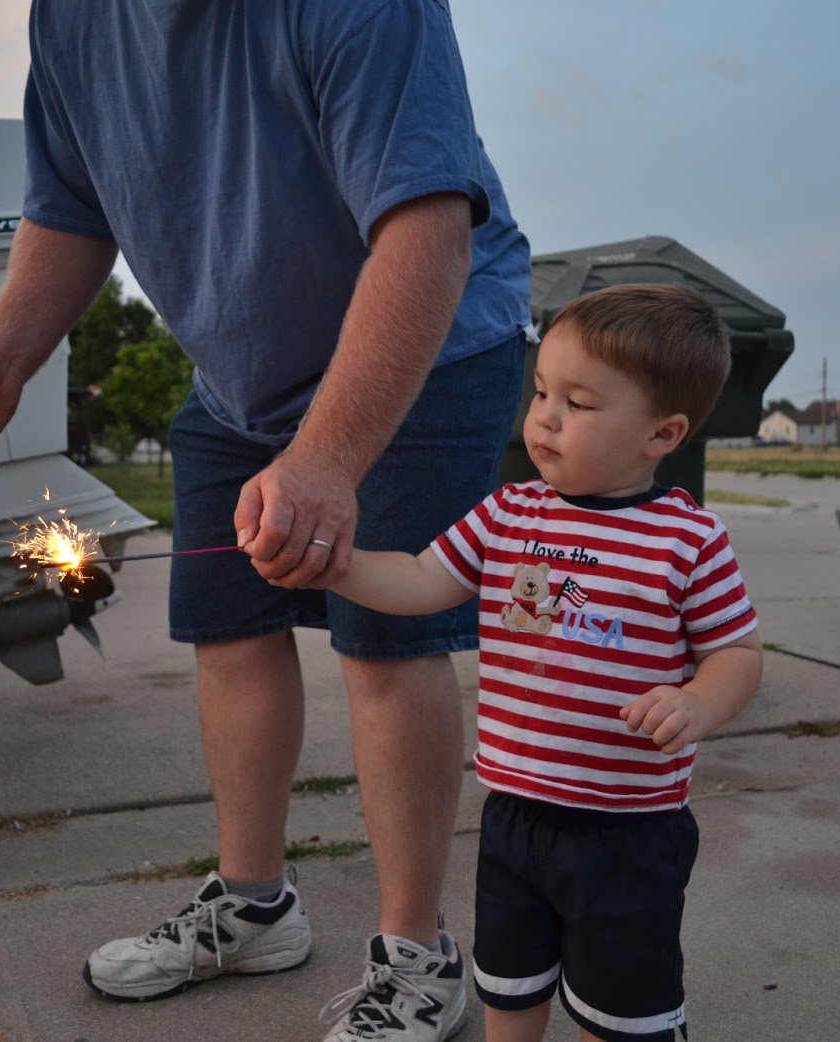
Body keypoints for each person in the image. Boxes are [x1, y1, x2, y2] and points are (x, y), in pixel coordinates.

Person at [0, 0, 531, 1039]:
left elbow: (426, 231)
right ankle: (252, 907)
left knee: (383, 642)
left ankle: (419, 960)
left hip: (420, 349)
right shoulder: (72, 6)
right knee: (227, 629)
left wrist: (329, 458)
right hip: (237, 373)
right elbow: (70, 205)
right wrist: (2, 356)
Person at [280, 284, 763, 1042]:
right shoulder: (509, 515)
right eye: (542, 391)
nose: (545, 416)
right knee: (510, 986)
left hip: (627, 829)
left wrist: (698, 702)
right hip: (514, 814)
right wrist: (333, 567)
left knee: (622, 1011)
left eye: (579, 402)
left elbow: (735, 651)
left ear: (662, 434)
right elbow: (419, 579)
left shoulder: (687, 539)